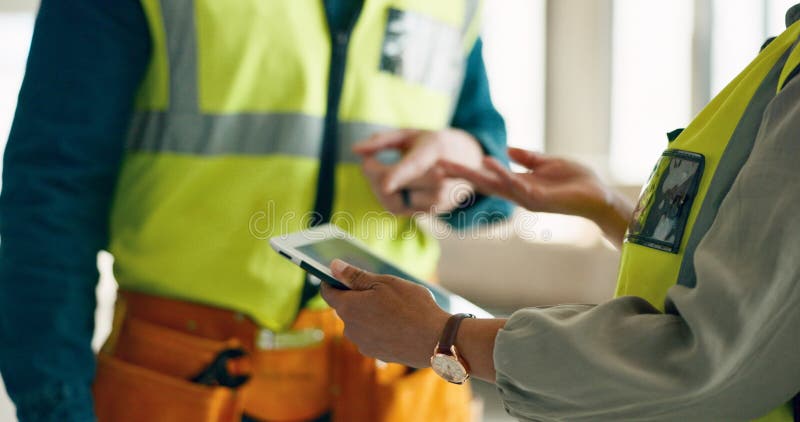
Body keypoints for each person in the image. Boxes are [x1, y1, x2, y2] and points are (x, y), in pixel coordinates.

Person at [0, 0, 512, 421]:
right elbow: (49, 197)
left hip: (400, 379)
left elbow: (493, 195)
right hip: (181, 378)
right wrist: (54, 403)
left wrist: (464, 175)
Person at [320, 4, 800, 421]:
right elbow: (753, 263)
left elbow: (707, 360)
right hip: (281, 350)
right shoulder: (785, 50)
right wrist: (611, 211)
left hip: (390, 348)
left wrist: (443, 336)